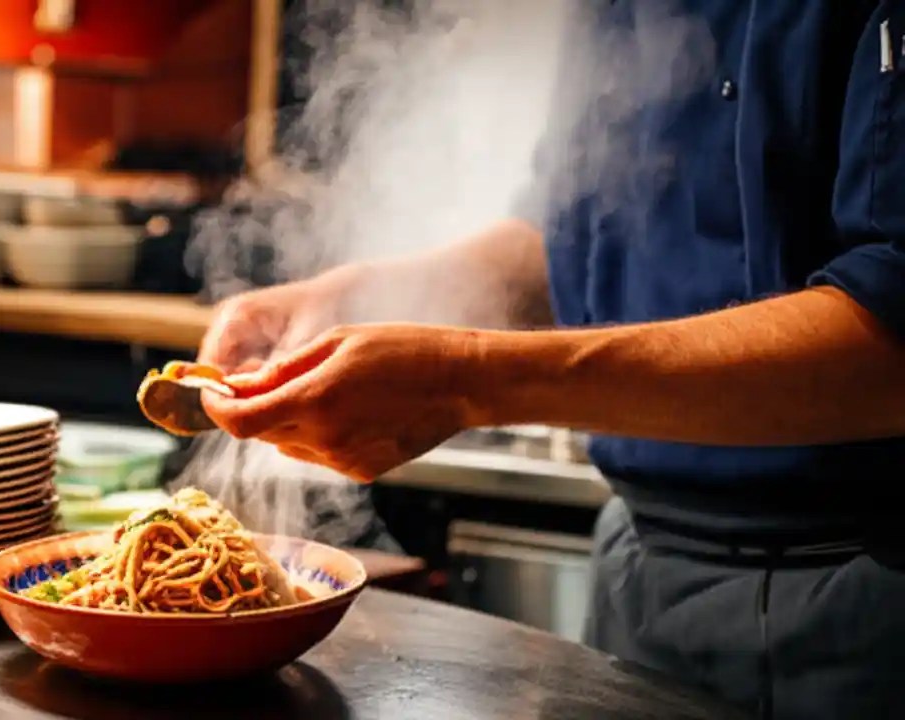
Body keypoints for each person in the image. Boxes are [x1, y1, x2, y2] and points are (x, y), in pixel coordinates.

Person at [194, 2, 905, 718]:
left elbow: (888, 348)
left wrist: (466, 379)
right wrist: (357, 301)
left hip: (857, 592)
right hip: (637, 565)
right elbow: (571, 245)